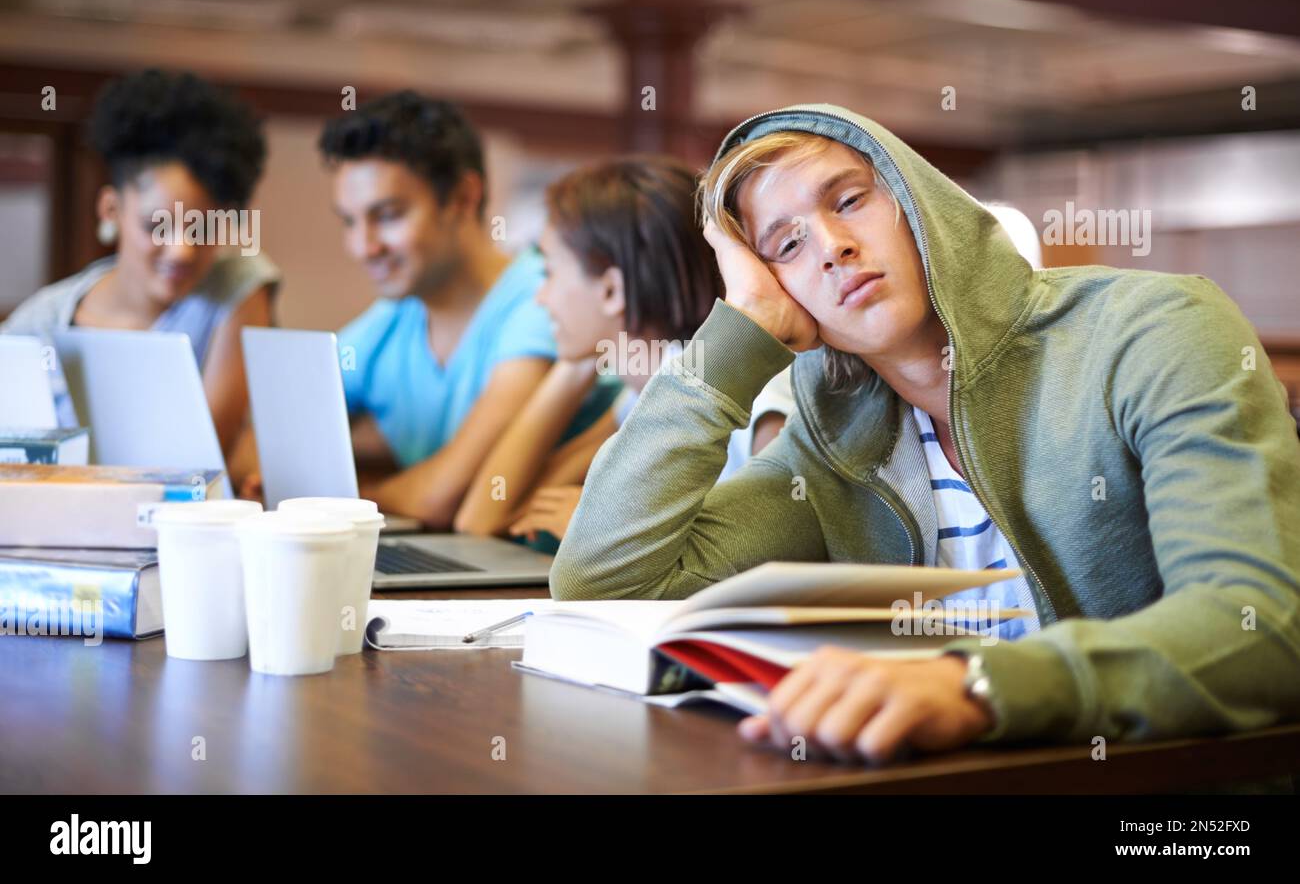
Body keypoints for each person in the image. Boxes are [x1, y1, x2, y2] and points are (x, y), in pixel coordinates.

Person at [549, 103, 1300, 764]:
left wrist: (974, 684)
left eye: (849, 200)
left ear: (916, 201)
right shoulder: (834, 442)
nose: (832, 246)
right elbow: (610, 579)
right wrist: (735, 337)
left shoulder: (1153, 332)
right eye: (785, 247)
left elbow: (1259, 626)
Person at [453, 156, 793, 546]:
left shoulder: (760, 396)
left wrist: (609, 527)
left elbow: (784, 552)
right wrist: (576, 365)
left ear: (612, 289)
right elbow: (483, 518)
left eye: (549, 272)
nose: (540, 299)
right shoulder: (638, 394)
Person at [317, 92, 616, 527]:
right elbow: (270, 440)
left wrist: (345, 502)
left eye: (388, 215)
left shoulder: (542, 303)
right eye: (349, 221)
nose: (363, 247)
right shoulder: (390, 320)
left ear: (462, 197)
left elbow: (443, 497)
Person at [0, 69, 278, 462]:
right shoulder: (39, 324)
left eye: (202, 230)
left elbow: (202, 462)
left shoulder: (233, 287)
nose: (181, 251)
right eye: (157, 226)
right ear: (111, 209)